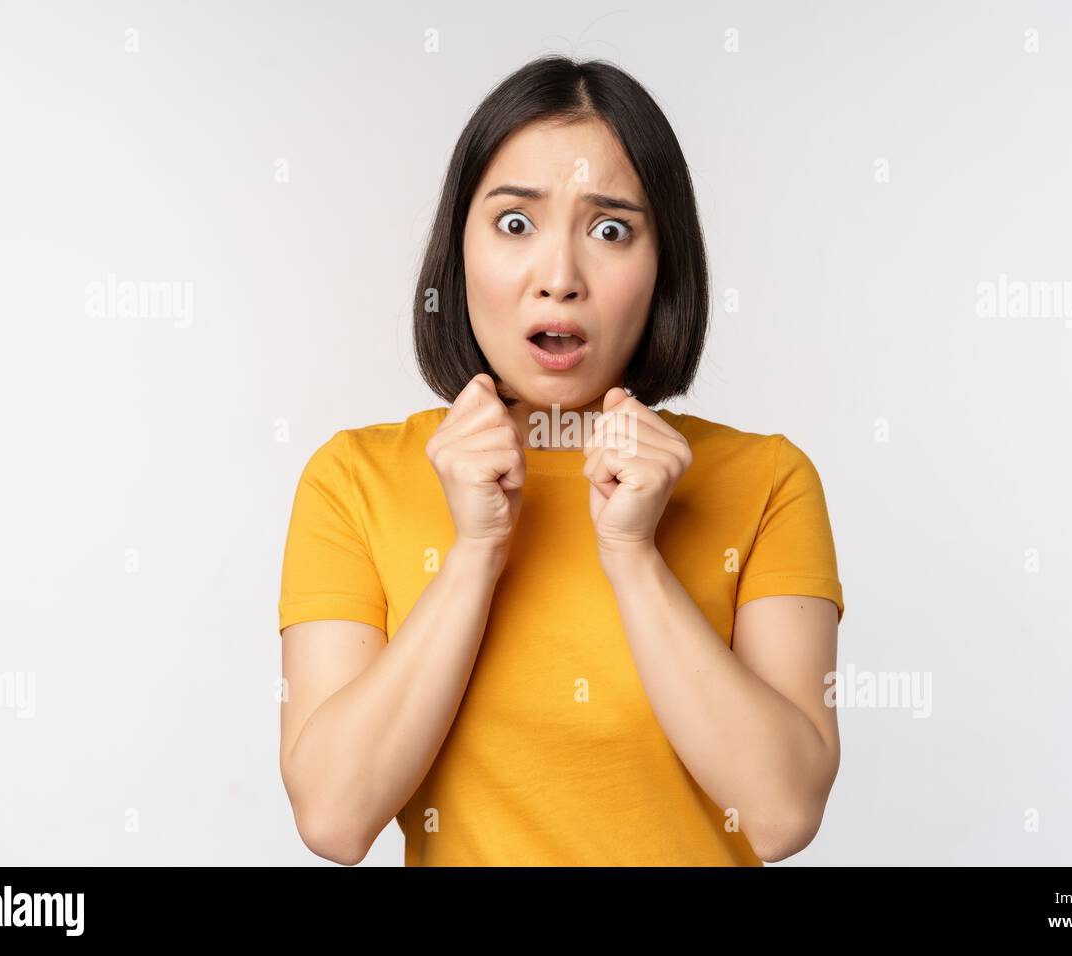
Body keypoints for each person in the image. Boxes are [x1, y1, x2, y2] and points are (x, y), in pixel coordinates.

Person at [277, 54, 844, 866]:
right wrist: (474, 555)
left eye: (611, 229)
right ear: (458, 249)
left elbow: (782, 813)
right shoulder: (354, 479)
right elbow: (334, 819)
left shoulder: (767, 482)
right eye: (516, 223)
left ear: (664, 267)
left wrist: (632, 556)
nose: (560, 279)